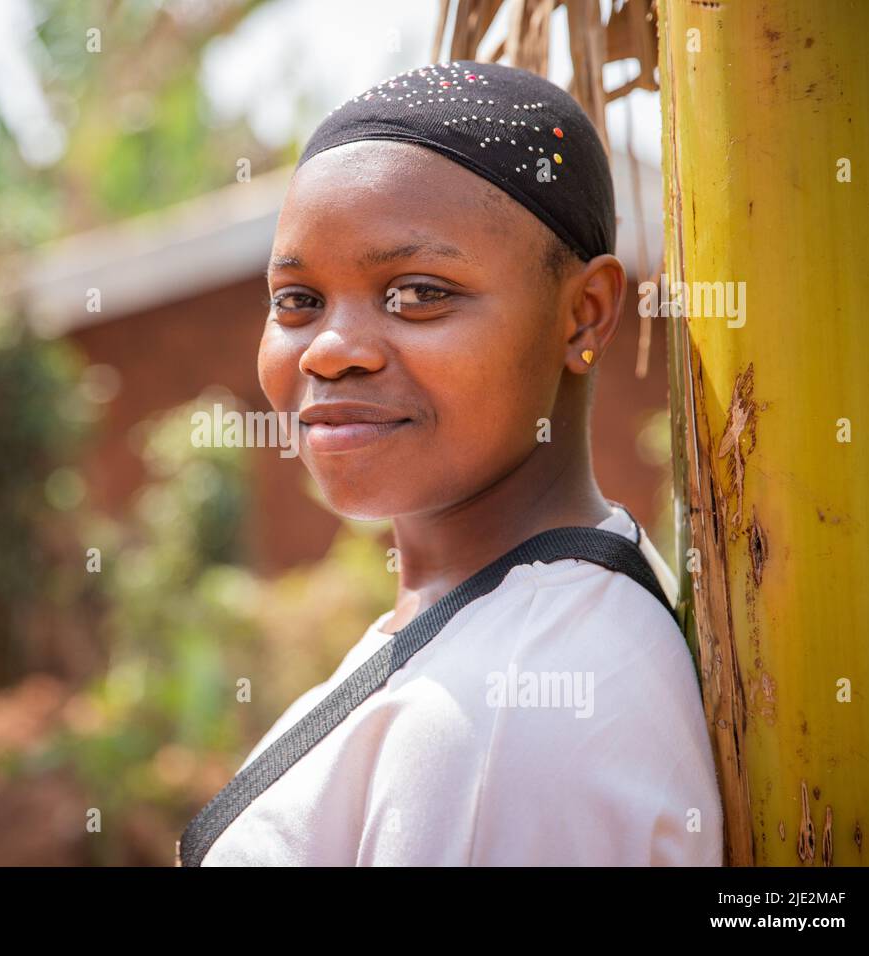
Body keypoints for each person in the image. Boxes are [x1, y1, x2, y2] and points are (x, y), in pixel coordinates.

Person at [179, 59, 723, 866]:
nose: (331, 350)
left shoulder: (513, 709)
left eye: (419, 292)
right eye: (298, 301)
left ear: (586, 313)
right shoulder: (506, 624)